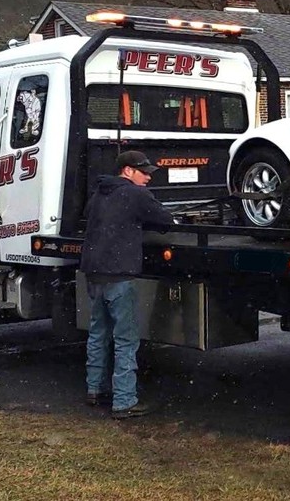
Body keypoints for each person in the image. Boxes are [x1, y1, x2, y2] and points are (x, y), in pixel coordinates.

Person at [80, 150, 174, 419]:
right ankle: (124, 401)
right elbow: (165, 221)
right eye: (143, 172)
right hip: (119, 275)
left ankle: (94, 389)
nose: (148, 177)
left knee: (98, 334)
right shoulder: (135, 194)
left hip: (94, 273)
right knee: (125, 340)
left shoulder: (100, 193)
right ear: (127, 171)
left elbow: (92, 215)